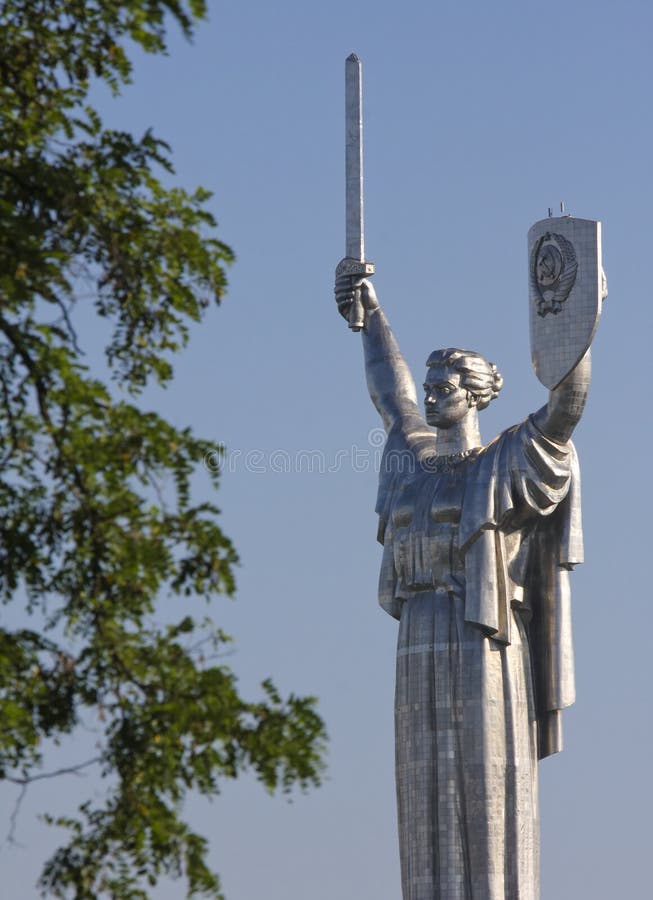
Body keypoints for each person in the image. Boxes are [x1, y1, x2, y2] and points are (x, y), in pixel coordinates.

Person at [334, 274, 595, 900]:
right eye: (429, 386)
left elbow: (567, 408)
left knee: (485, 782)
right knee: (422, 788)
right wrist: (370, 315)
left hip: (482, 637)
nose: (429, 395)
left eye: (443, 387)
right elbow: (387, 392)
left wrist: (576, 322)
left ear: (473, 396)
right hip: (418, 635)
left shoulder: (504, 461)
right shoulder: (412, 457)